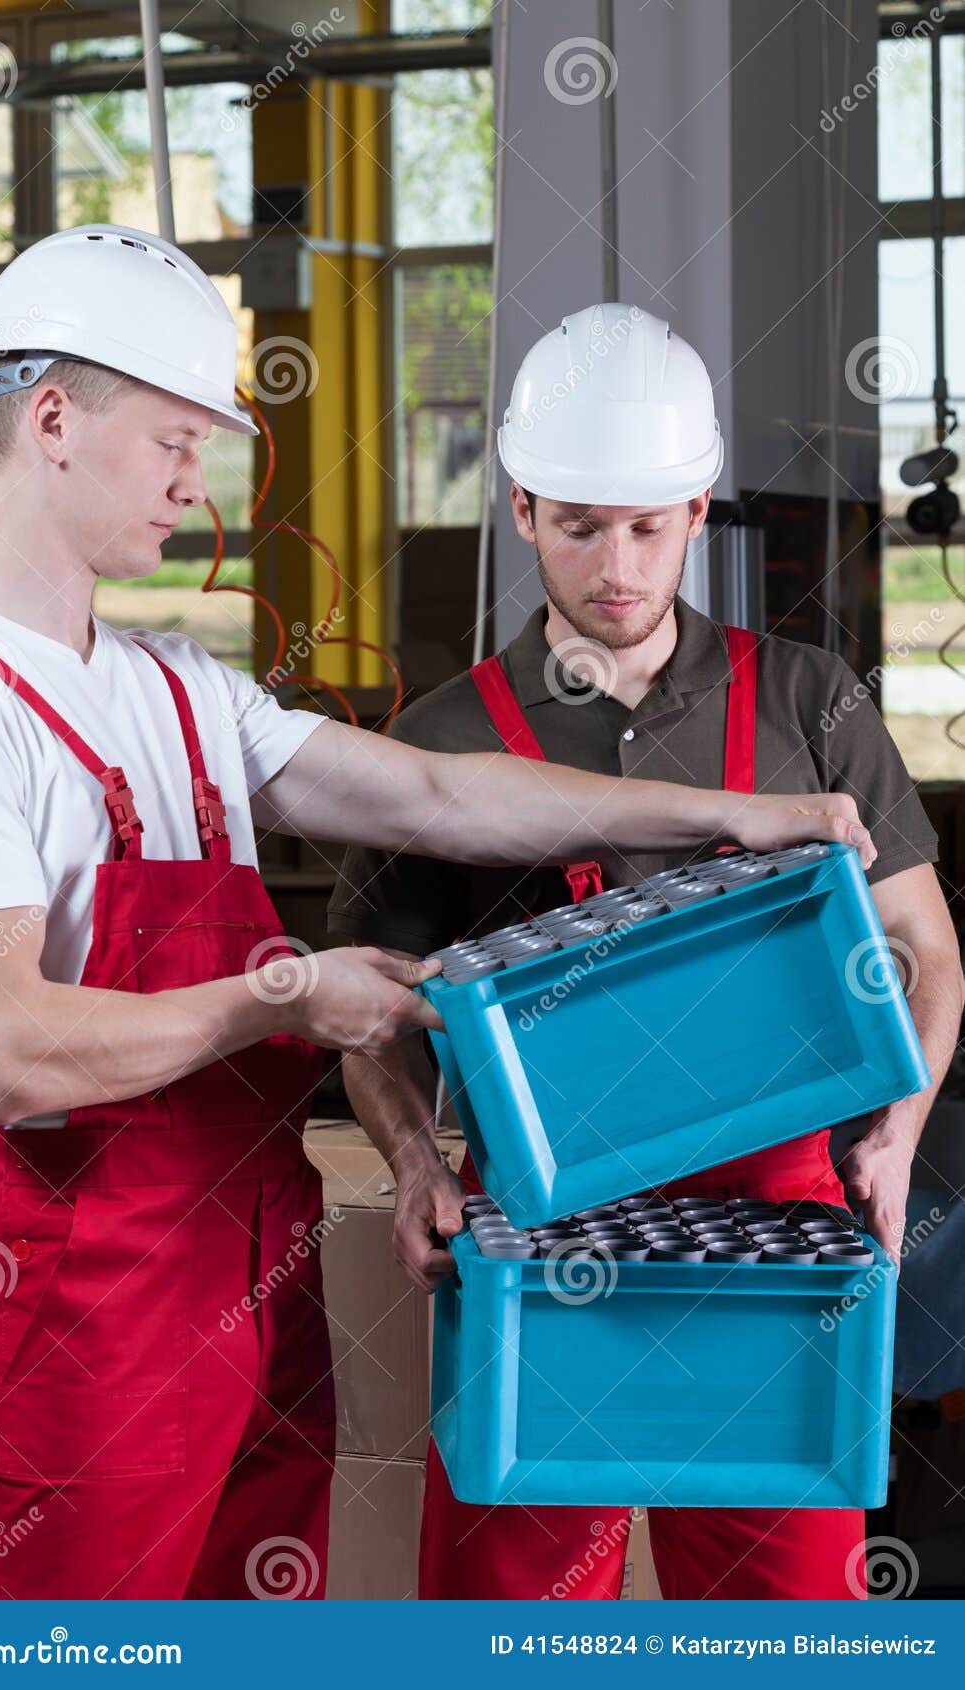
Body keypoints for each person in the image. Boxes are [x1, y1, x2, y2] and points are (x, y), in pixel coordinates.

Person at [0, 242, 863, 1603]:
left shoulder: (177, 687)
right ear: (51, 420)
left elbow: (434, 791)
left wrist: (730, 817)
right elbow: (3, 1049)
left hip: (256, 1269)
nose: (196, 480)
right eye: (176, 439)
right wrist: (283, 997)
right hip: (89, 1305)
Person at [327, 302, 964, 1601]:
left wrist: (896, 1135)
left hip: (778, 1237)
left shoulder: (808, 702)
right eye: (577, 524)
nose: (616, 564)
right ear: (518, 508)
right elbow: (368, 1014)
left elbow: (927, 953)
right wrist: (408, 1160)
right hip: (534, 1246)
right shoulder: (442, 741)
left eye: (648, 524)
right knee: (517, 1632)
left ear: (698, 507)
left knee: (788, 1633)